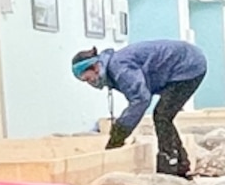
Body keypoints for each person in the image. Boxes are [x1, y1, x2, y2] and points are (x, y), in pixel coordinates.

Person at [72, 37, 206, 177]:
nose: (91, 83)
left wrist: (119, 133)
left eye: (88, 79)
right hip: (187, 62)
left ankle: (170, 168)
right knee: (164, 115)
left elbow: (141, 99)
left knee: (162, 116)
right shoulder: (113, 67)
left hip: (189, 65)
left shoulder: (119, 68)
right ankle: (181, 164)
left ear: (95, 67)